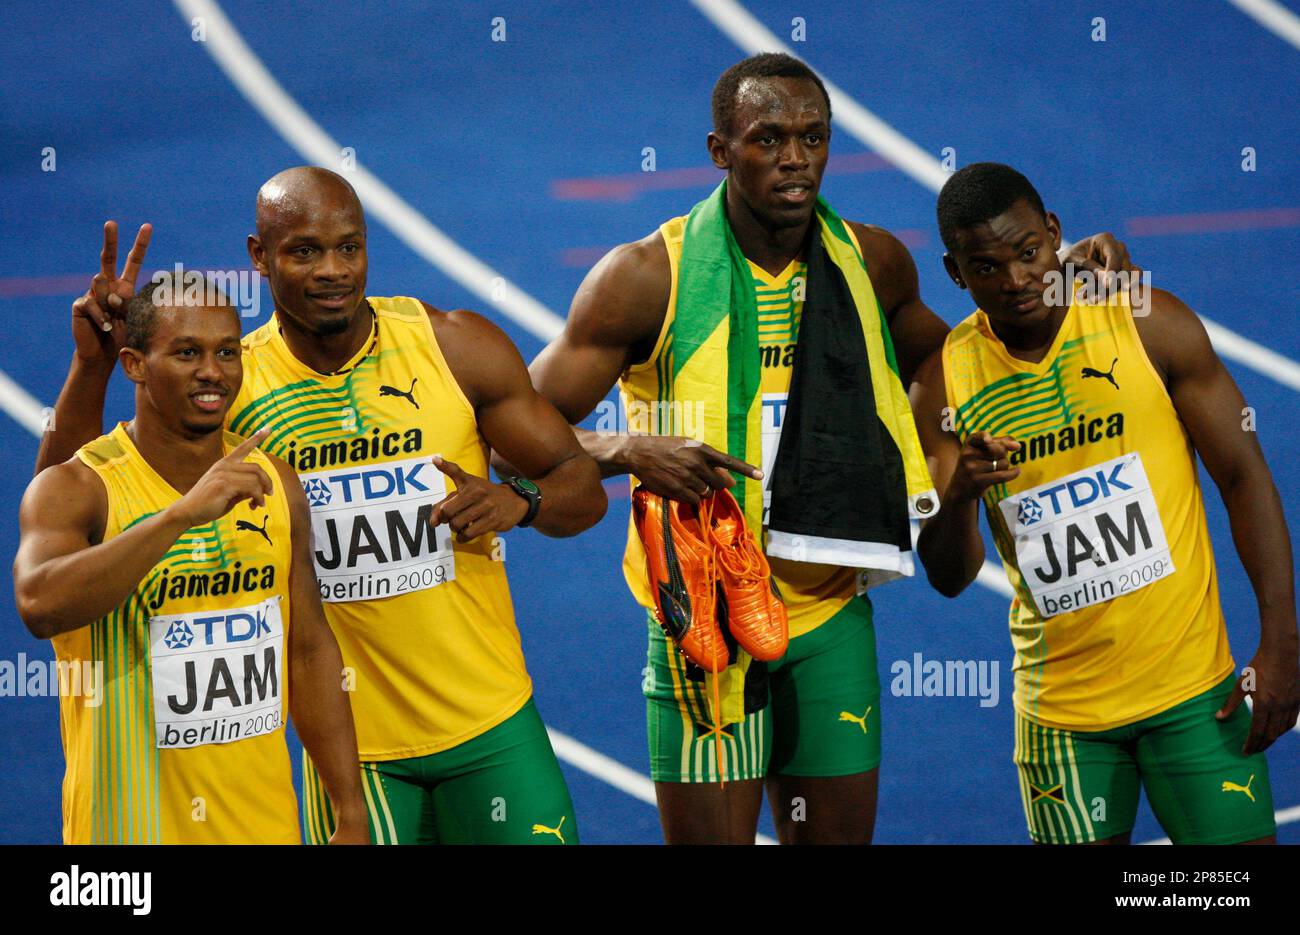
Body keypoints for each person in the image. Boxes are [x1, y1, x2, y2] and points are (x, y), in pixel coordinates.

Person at [525, 52, 1136, 844]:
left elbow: (952, 354)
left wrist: (1058, 278)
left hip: (831, 610)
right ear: (720, 151)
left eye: (813, 137)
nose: (794, 158)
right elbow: (522, 425)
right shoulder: (646, 278)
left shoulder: (872, 262)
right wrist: (628, 446)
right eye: (768, 138)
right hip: (703, 622)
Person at [35, 168, 608, 845]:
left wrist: (523, 500)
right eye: (305, 251)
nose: (333, 270)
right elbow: (73, 495)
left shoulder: (454, 347)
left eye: (350, 247)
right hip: (354, 752)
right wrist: (94, 365)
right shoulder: (230, 383)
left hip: (491, 721)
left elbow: (581, 484)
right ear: (260, 257)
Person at [910, 161, 1298, 844]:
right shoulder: (945, 384)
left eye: (1030, 253)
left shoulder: (1144, 320)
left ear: (1054, 233)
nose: (1017, 280)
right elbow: (949, 574)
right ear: (955, 272)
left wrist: (1281, 640)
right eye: (987, 267)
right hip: (1062, 720)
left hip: (1193, 696)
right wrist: (960, 493)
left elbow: (1244, 476)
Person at [15, 271, 367, 843]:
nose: (213, 371)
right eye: (187, 353)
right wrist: (180, 516)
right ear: (133, 364)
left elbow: (307, 650)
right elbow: (40, 604)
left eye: (227, 351)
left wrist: (349, 810)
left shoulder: (276, 484)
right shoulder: (80, 488)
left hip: (265, 828)